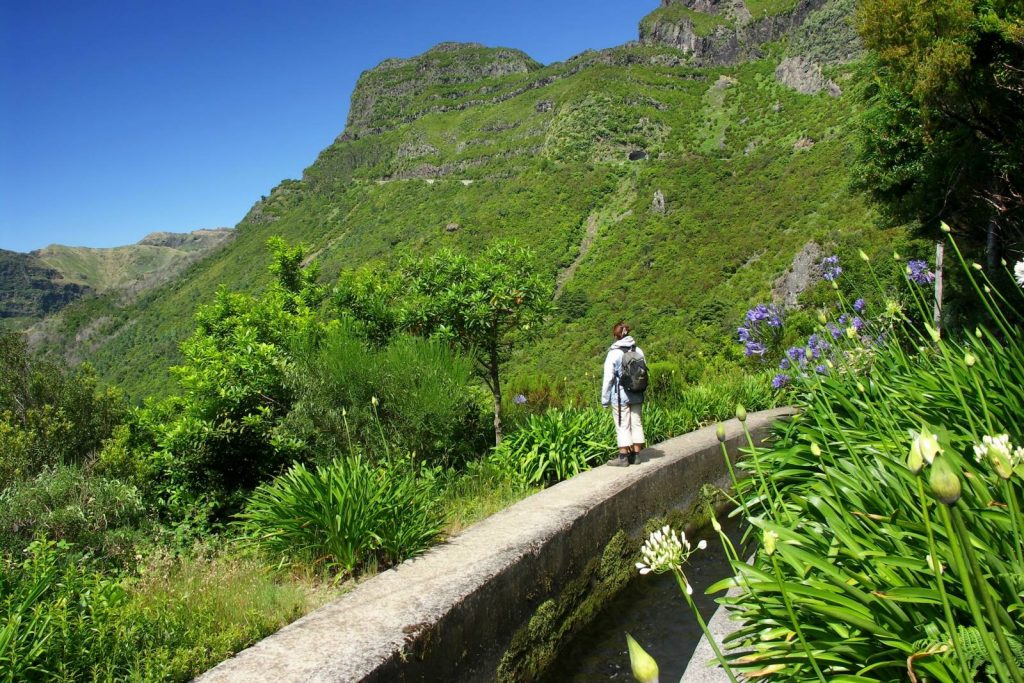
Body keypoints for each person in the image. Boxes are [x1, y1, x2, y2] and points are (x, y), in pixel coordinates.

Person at [601, 321, 645, 467]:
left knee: (622, 425)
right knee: (636, 422)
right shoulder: (638, 350)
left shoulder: (613, 353)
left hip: (620, 396)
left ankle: (623, 457)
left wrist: (605, 400)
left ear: (616, 336)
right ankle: (636, 455)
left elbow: (608, 379)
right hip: (637, 392)